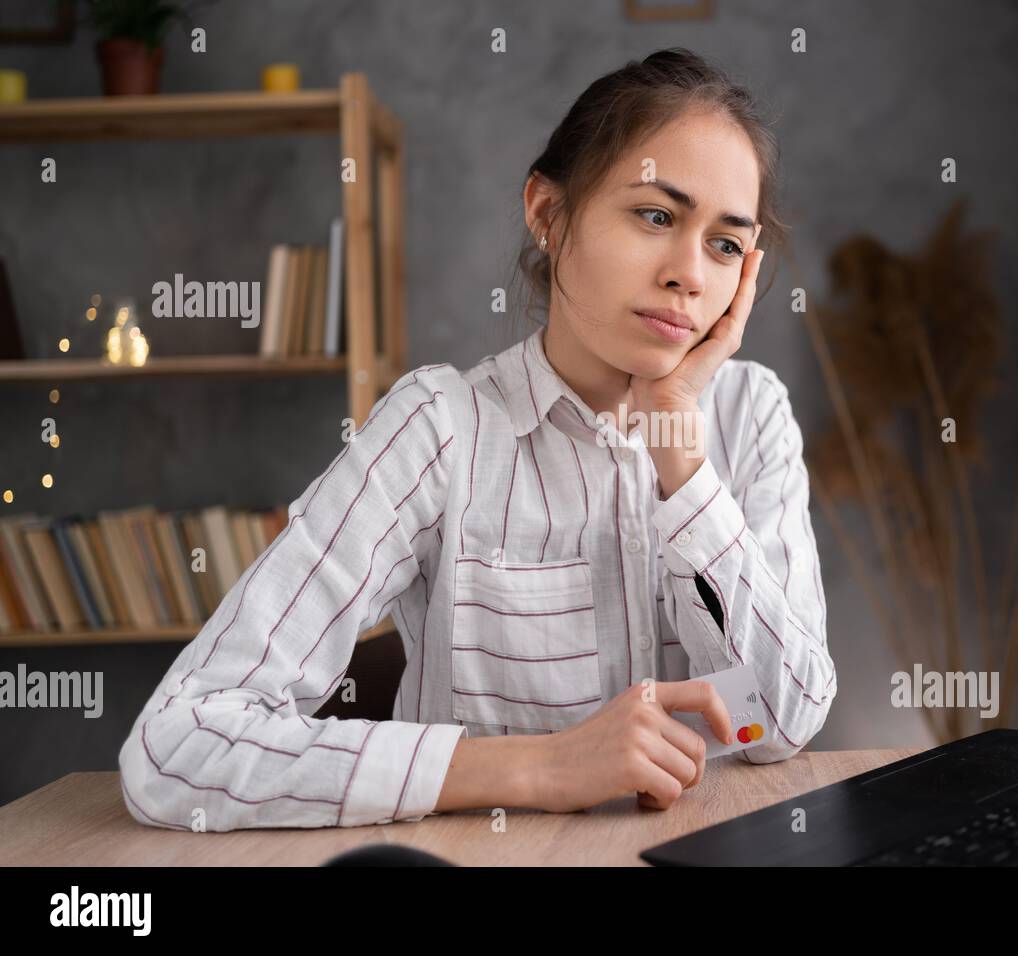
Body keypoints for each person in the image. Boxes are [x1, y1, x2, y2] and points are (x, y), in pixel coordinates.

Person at [118, 48, 835, 832]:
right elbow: (174, 747)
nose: (690, 276)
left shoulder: (750, 413)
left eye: (726, 245)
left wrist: (679, 452)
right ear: (548, 213)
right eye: (656, 215)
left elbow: (784, 720)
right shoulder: (440, 429)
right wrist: (541, 764)